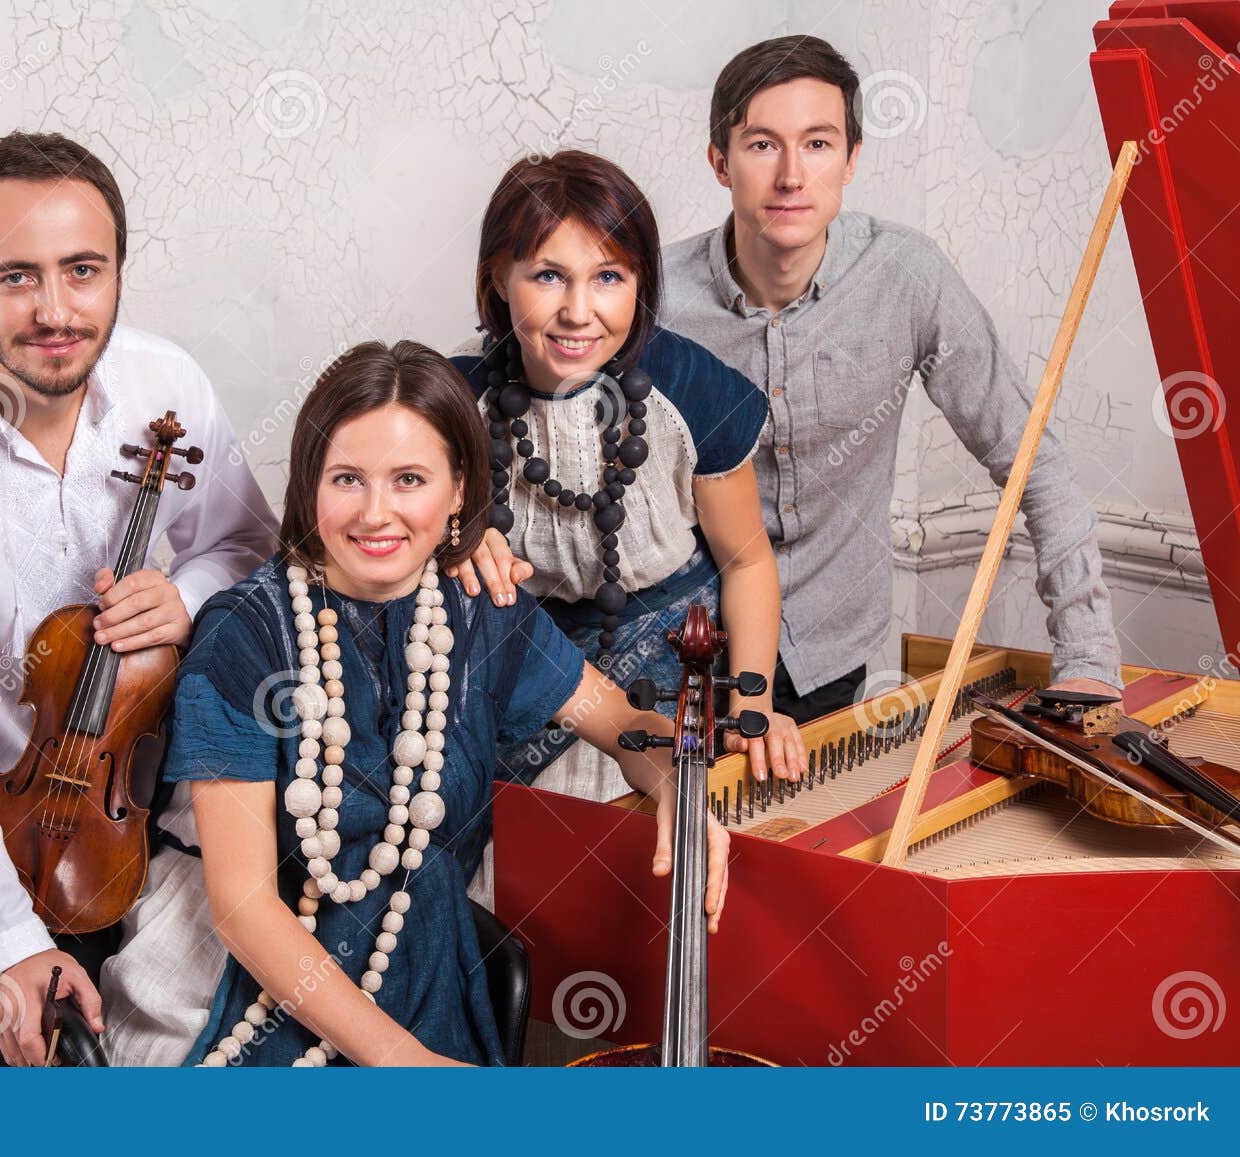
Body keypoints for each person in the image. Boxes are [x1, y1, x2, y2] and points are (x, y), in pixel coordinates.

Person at [99, 339, 728, 1066]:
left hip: (418, 973)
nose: (376, 513)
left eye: (408, 479)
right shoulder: (245, 636)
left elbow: (621, 724)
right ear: (308, 485)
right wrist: (411, 1068)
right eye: (347, 478)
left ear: (459, 490)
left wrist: (676, 778)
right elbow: (243, 908)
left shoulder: (480, 610)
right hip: (235, 985)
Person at [0, 131, 277, 1068]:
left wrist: (187, 595)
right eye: (17, 277)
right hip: (2, 841)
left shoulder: (168, 382)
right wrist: (1, 938)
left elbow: (246, 548)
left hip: (173, 817)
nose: (59, 309)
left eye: (83, 270)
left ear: (116, 273)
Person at [657, 35, 1121, 719]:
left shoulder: (906, 275)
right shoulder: (653, 295)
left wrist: (1087, 658)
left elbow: (1031, 460)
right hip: (673, 651)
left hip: (827, 658)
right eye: (762, 145)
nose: (792, 175)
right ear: (720, 163)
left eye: (817, 144)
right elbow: (506, 368)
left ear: (851, 159)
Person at [450, 150, 804, 793]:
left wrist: (749, 712)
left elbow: (748, 562)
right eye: (549, 276)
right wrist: (456, 537)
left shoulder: (690, 390)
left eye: (609, 276)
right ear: (499, 277)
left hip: (684, 659)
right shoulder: (452, 403)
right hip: (534, 667)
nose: (579, 312)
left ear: (641, 281)